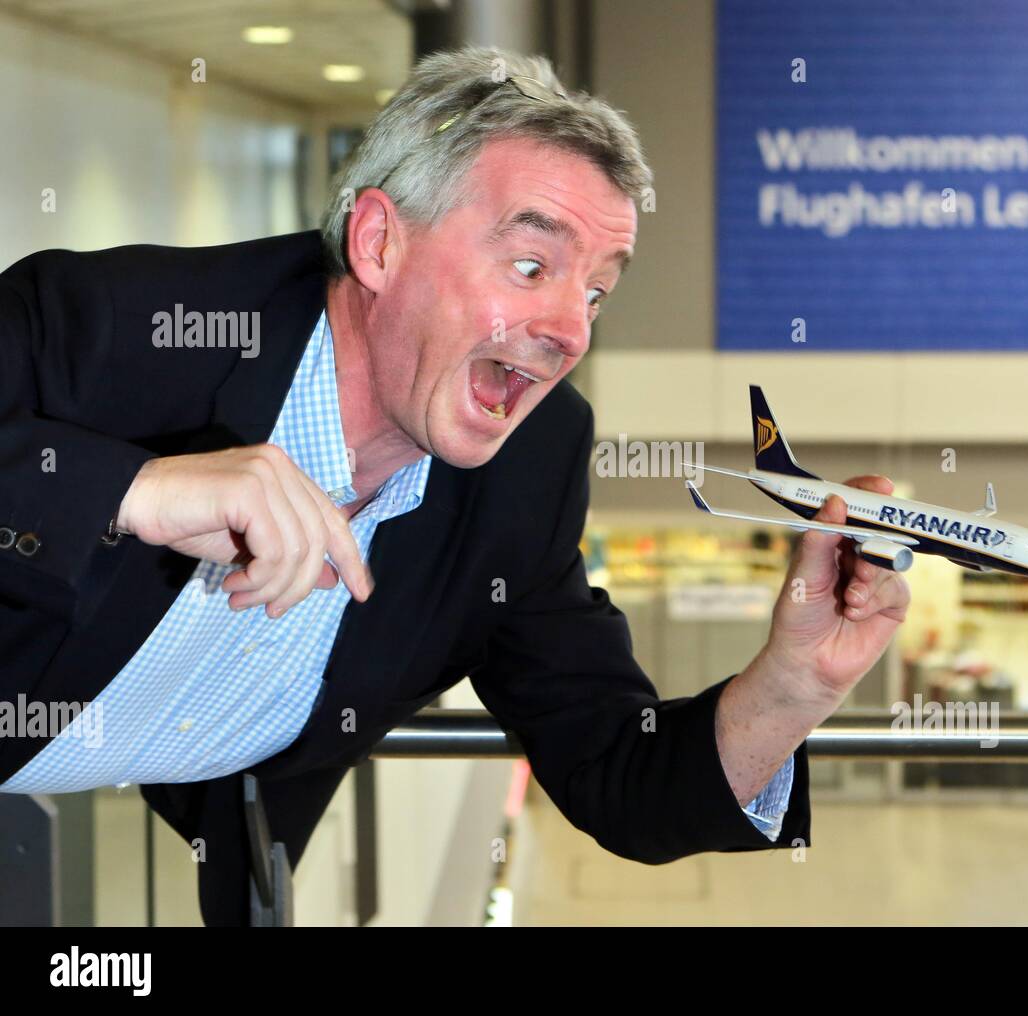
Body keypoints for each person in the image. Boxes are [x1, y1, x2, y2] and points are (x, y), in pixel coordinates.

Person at [0, 46, 908, 925]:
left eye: (596, 291)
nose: (570, 331)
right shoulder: (121, 323)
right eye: (531, 267)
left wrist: (797, 682)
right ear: (380, 243)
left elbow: (617, 774)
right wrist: (139, 491)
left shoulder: (530, 466)